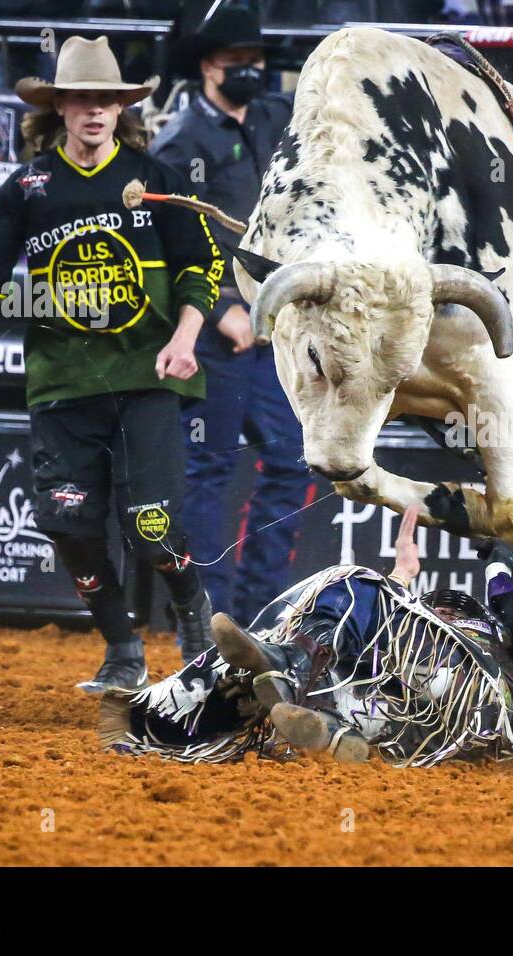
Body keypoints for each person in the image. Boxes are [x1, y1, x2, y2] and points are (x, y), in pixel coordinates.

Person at [0, 36, 226, 692]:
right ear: (60, 107)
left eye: (107, 99)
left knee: (152, 527)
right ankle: (121, 646)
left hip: (147, 375)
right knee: (68, 523)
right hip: (63, 383)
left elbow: (203, 266)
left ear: (120, 109)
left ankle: (193, 609)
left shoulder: (155, 181)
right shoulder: (29, 187)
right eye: (83, 98)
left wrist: (187, 335)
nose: (95, 110)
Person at [99, 507, 513, 767]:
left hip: (460, 691)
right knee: (348, 682)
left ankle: (287, 671)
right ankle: (339, 730)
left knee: (351, 582)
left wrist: (501, 553)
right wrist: (404, 572)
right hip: (435, 716)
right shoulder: (502, 649)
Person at [149, 0, 313, 625]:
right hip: (217, 335)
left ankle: (261, 610)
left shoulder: (277, 117)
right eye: (234, 61)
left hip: (275, 329)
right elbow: (173, 238)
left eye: (253, 60)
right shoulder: (180, 142)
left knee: (291, 460)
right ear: (209, 66)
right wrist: (221, 306)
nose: (247, 69)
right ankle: (207, 617)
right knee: (208, 469)